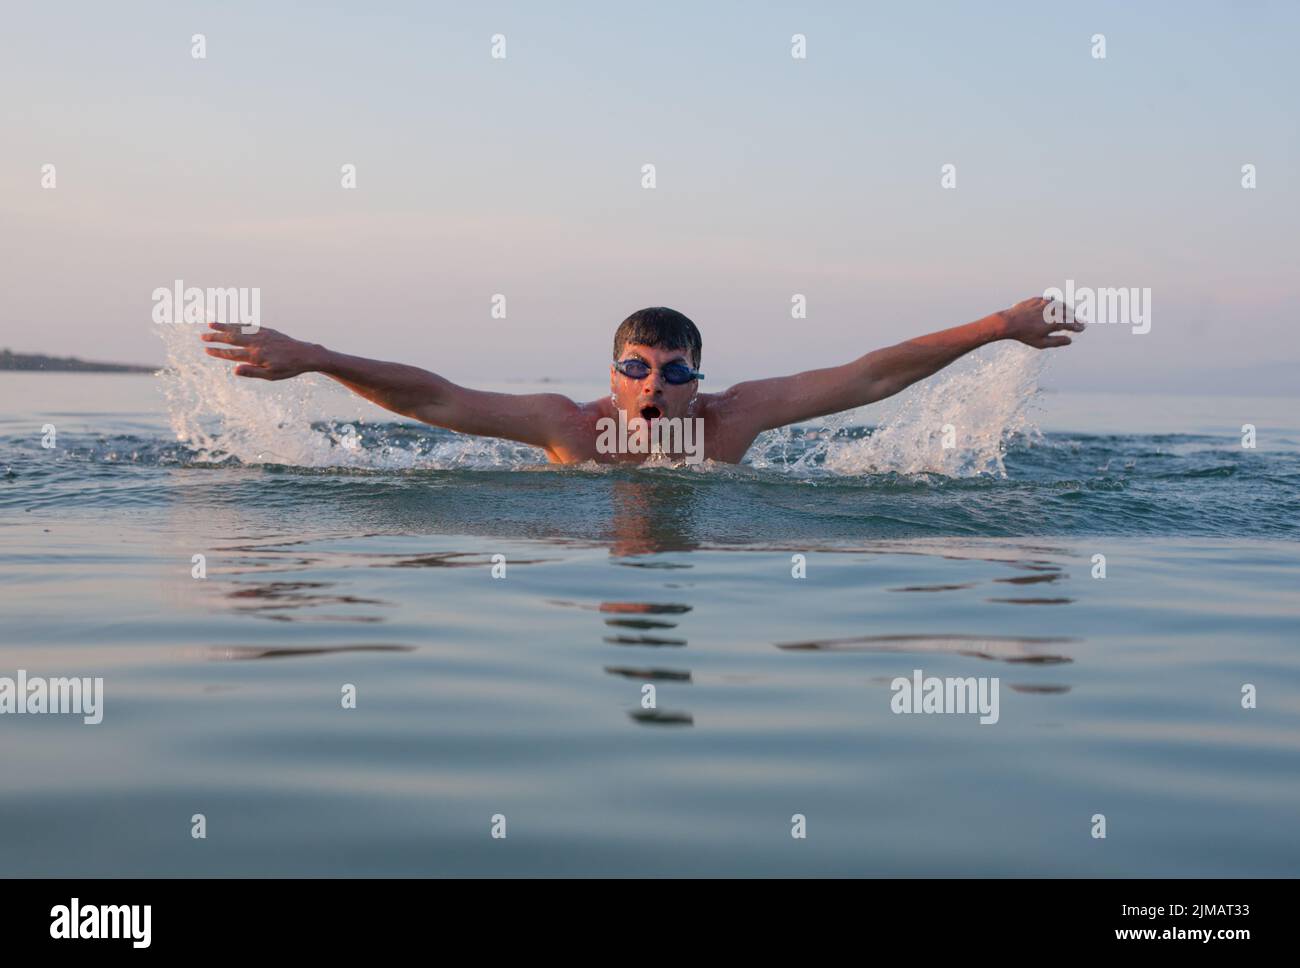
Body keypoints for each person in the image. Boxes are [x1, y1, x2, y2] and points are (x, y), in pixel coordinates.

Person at [200, 297, 1082, 464]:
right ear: (612, 378)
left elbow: (867, 378)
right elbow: (435, 399)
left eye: (672, 371)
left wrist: (995, 329)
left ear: (700, 382)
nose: (653, 384)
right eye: (636, 369)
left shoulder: (731, 425)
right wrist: (316, 354)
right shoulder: (567, 428)